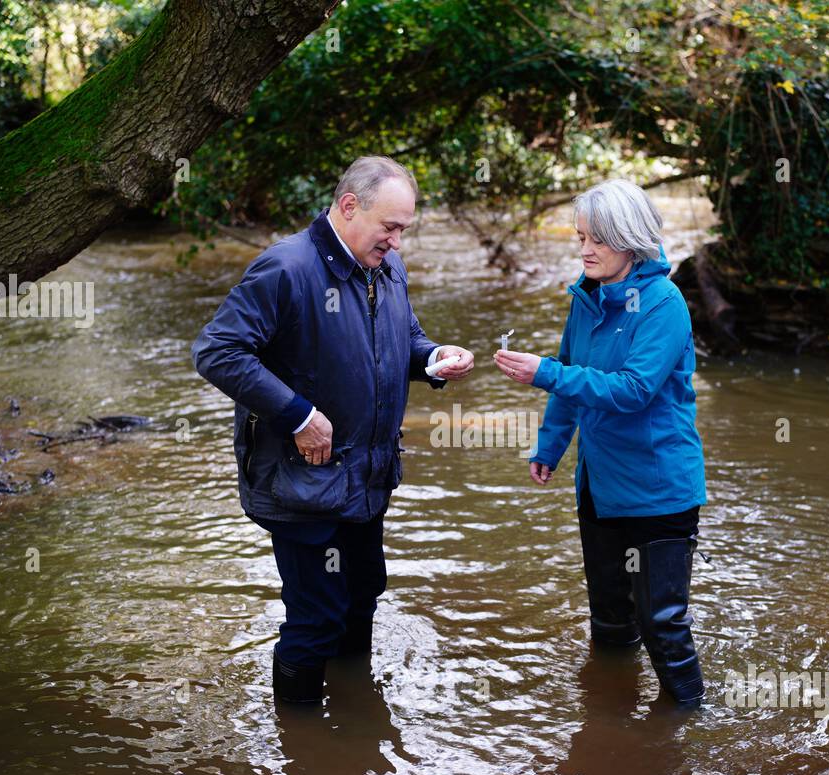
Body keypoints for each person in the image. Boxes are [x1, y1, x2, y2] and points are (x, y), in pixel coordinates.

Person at [192, 156, 474, 706]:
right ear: (349, 207)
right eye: (389, 227)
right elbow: (217, 351)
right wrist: (298, 414)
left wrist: (434, 358)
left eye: (403, 230)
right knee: (316, 616)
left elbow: (403, 339)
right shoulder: (287, 269)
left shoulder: (387, 267)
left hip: (365, 479)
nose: (396, 240)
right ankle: (303, 751)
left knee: (362, 595)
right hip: (302, 484)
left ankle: (353, 723)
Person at [494, 179, 708, 707]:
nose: (586, 250)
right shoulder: (587, 297)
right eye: (582, 237)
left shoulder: (663, 303)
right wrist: (550, 446)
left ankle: (683, 733)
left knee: (663, 625)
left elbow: (633, 391)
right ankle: (610, 725)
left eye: (599, 239)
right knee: (609, 620)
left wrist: (544, 373)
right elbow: (573, 374)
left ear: (631, 240)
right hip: (599, 487)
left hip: (659, 493)